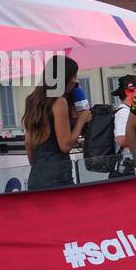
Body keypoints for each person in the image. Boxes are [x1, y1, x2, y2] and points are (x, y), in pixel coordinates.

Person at [23, 56, 90, 190]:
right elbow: (65, 146)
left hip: (36, 175)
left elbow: (28, 142)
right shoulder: (59, 102)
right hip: (58, 175)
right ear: (64, 78)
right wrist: (82, 120)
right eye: (74, 76)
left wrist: (36, 165)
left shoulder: (32, 100)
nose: (75, 80)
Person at [110, 73, 136, 178]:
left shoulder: (131, 111)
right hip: (126, 168)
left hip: (131, 165)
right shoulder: (123, 113)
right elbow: (122, 140)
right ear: (128, 92)